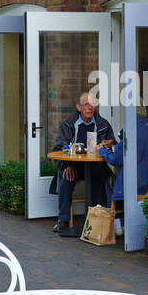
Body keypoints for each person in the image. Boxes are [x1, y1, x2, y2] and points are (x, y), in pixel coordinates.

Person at [50, 91, 115, 231]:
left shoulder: (103, 125)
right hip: (74, 166)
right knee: (66, 177)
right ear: (79, 107)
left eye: (93, 104)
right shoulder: (68, 124)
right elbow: (58, 148)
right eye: (86, 104)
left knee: (99, 176)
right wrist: (66, 165)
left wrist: (108, 146)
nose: (90, 107)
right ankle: (63, 220)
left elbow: (112, 145)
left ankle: (97, 220)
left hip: (96, 165)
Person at [98, 106, 148, 205]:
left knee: (109, 181)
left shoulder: (131, 131)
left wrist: (101, 150)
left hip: (138, 184)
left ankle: (116, 215)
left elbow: (115, 159)